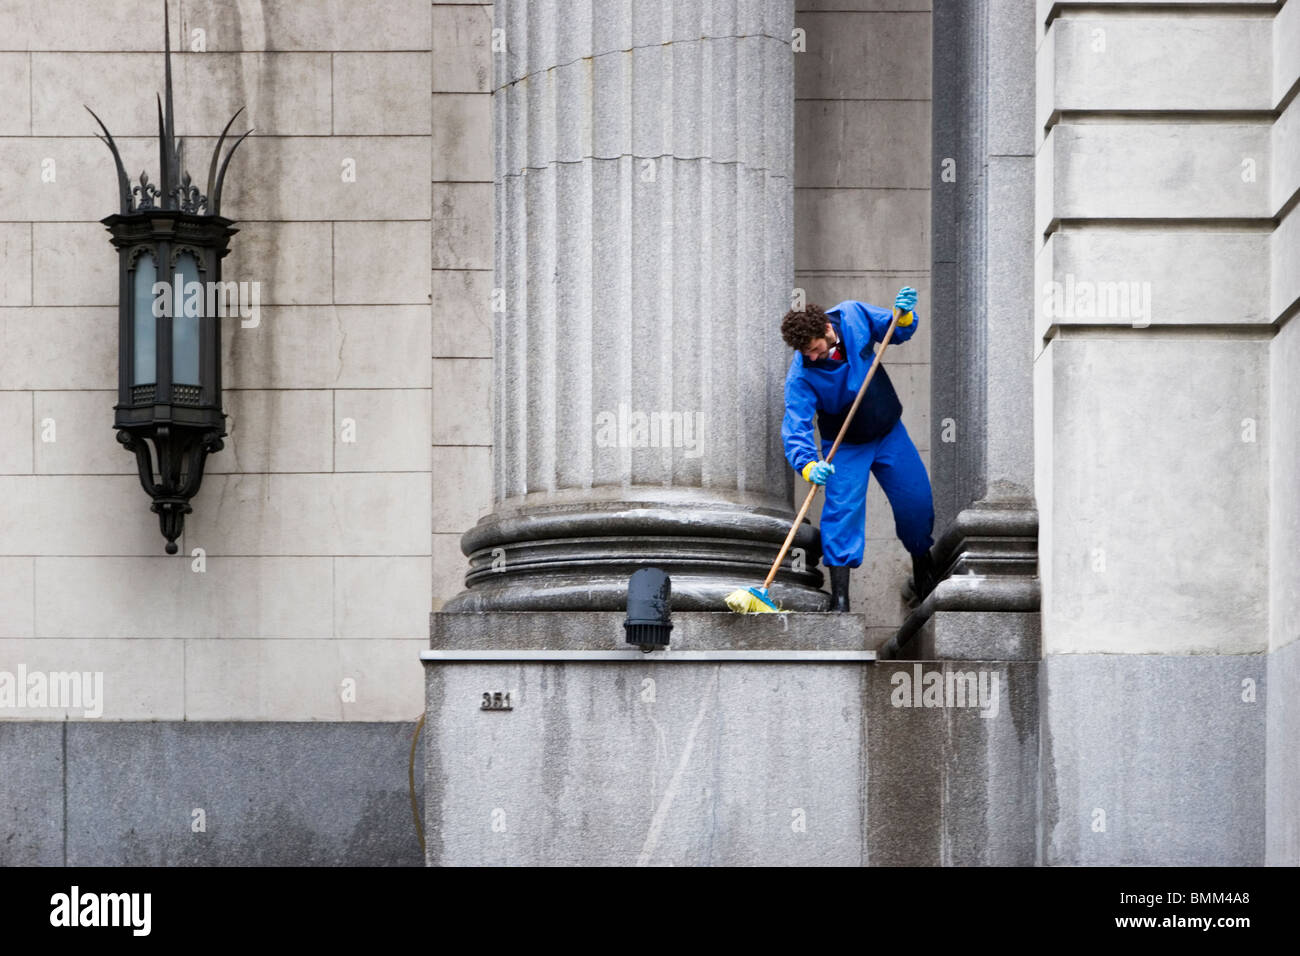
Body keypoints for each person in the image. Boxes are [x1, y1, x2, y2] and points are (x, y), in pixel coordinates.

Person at [780, 288, 936, 612]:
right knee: (841, 516)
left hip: (889, 433)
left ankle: (924, 569)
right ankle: (841, 600)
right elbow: (796, 425)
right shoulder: (801, 374)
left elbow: (896, 330)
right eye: (804, 353)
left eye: (813, 349)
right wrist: (808, 464)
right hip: (846, 447)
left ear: (826, 328)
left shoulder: (853, 315)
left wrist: (904, 315)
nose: (810, 357)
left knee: (916, 504)